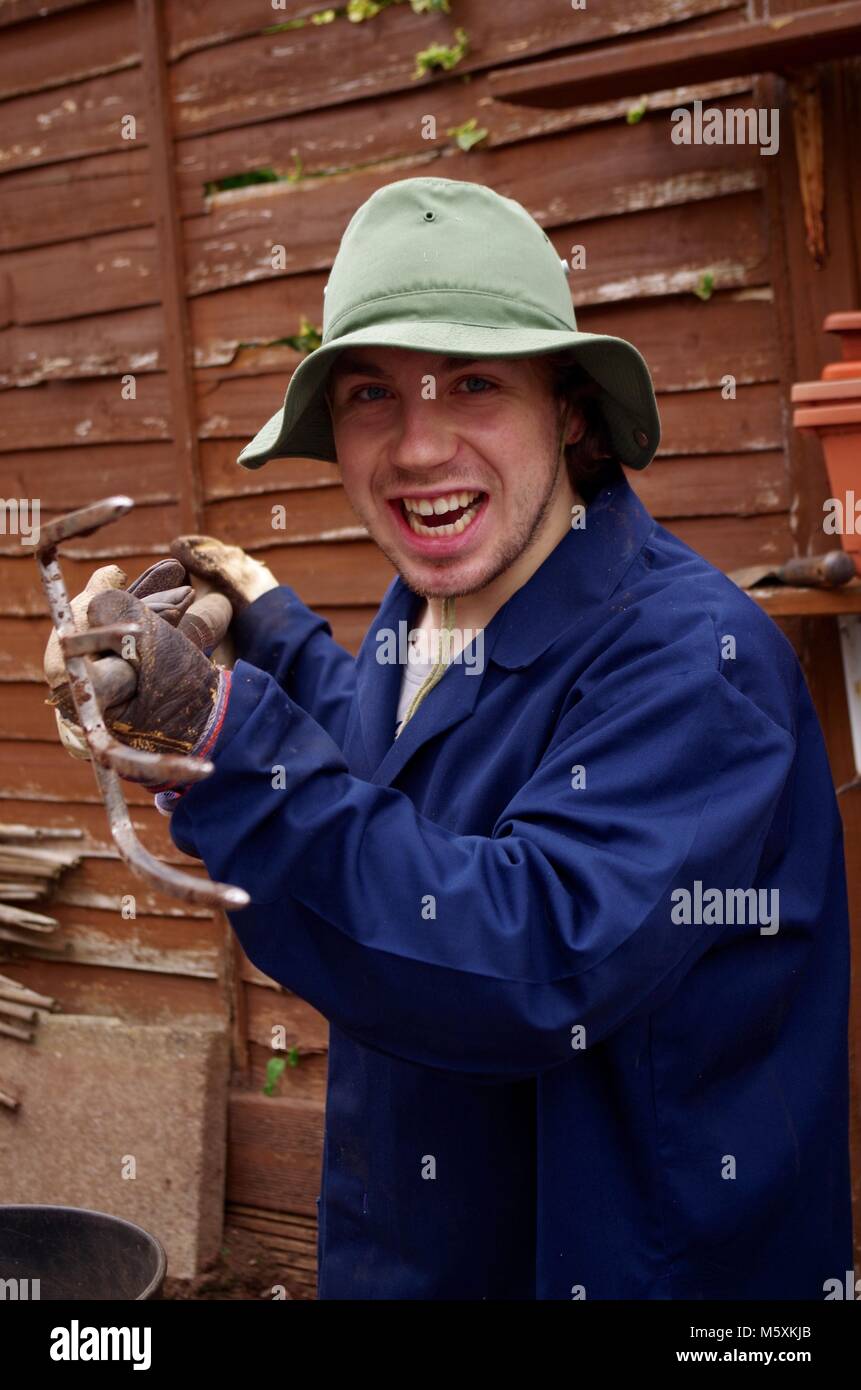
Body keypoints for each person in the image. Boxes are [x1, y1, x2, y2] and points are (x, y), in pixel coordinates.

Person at [46, 178, 852, 1300]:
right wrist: (268, 633)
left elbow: (531, 953)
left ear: (569, 409)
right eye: (373, 394)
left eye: (472, 383)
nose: (419, 446)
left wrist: (218, 728)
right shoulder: (426, 610)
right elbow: (412, 789)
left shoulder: (695, 663)